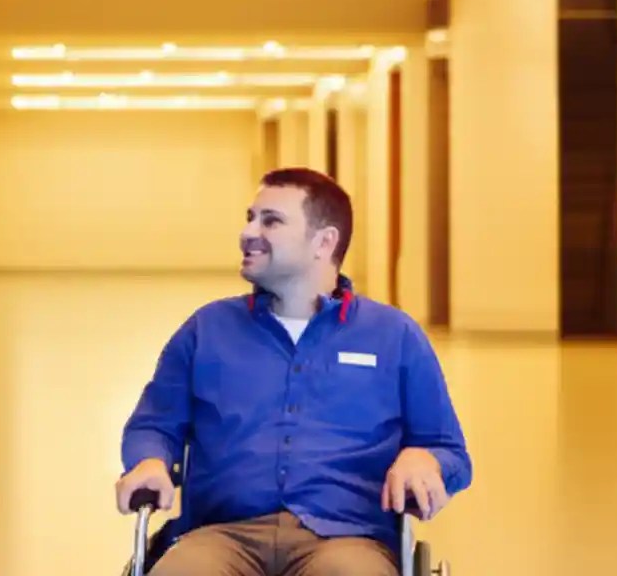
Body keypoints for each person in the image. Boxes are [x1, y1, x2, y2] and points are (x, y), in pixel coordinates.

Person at [114, 167, 471, 576]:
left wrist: (425, 459)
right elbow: (155, 424)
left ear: (324, 242)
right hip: (220, 535)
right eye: (251, 217)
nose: (248, 232)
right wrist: (149, 462)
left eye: (271, 221)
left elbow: (449, 449)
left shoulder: (393, 335)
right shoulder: (207, 330)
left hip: (346, 539)